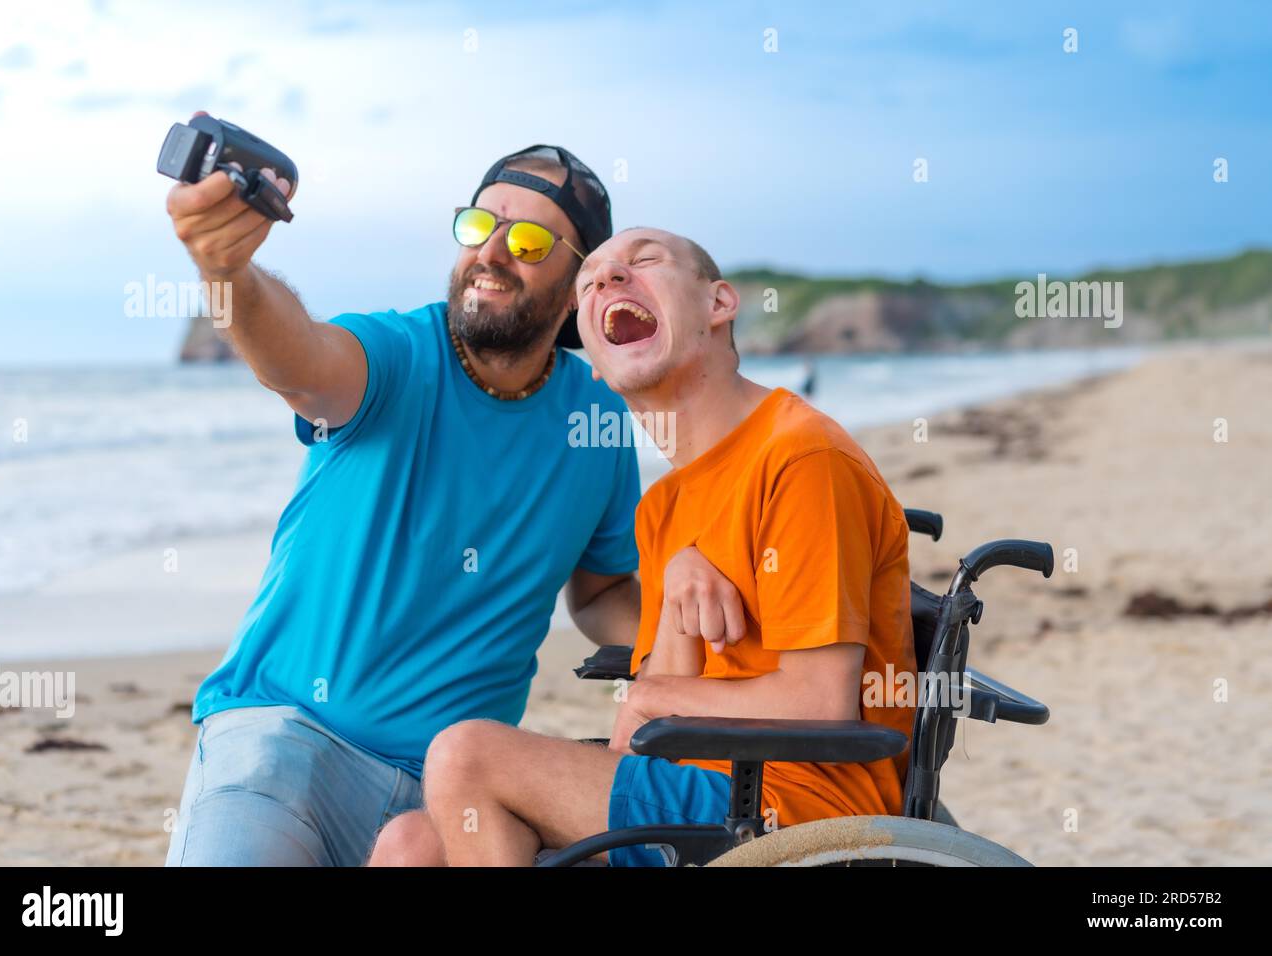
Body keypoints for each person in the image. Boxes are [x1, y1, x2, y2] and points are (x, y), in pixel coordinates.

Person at [162, 139, 729, 866]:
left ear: (577, 286)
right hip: (288, 746)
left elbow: (602, 590)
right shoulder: (396, 355)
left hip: (458, 792)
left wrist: (692, 633)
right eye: (477, 225)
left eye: (528, 240)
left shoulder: (596, 418)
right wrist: (226, 268)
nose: (492, 252)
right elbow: (297, 361)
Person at [368, 228, 918, 867]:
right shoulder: (664, 507)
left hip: (791, 814)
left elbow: (821, 704)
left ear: (718, 304)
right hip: (690, 791)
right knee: (409, 843)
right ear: (596, 366)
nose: (606, 279)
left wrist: (652, 699)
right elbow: (648, 726)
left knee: (465, 755)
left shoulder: (801, 458)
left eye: (644, 261)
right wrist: (682, 586)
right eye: (590, 280)